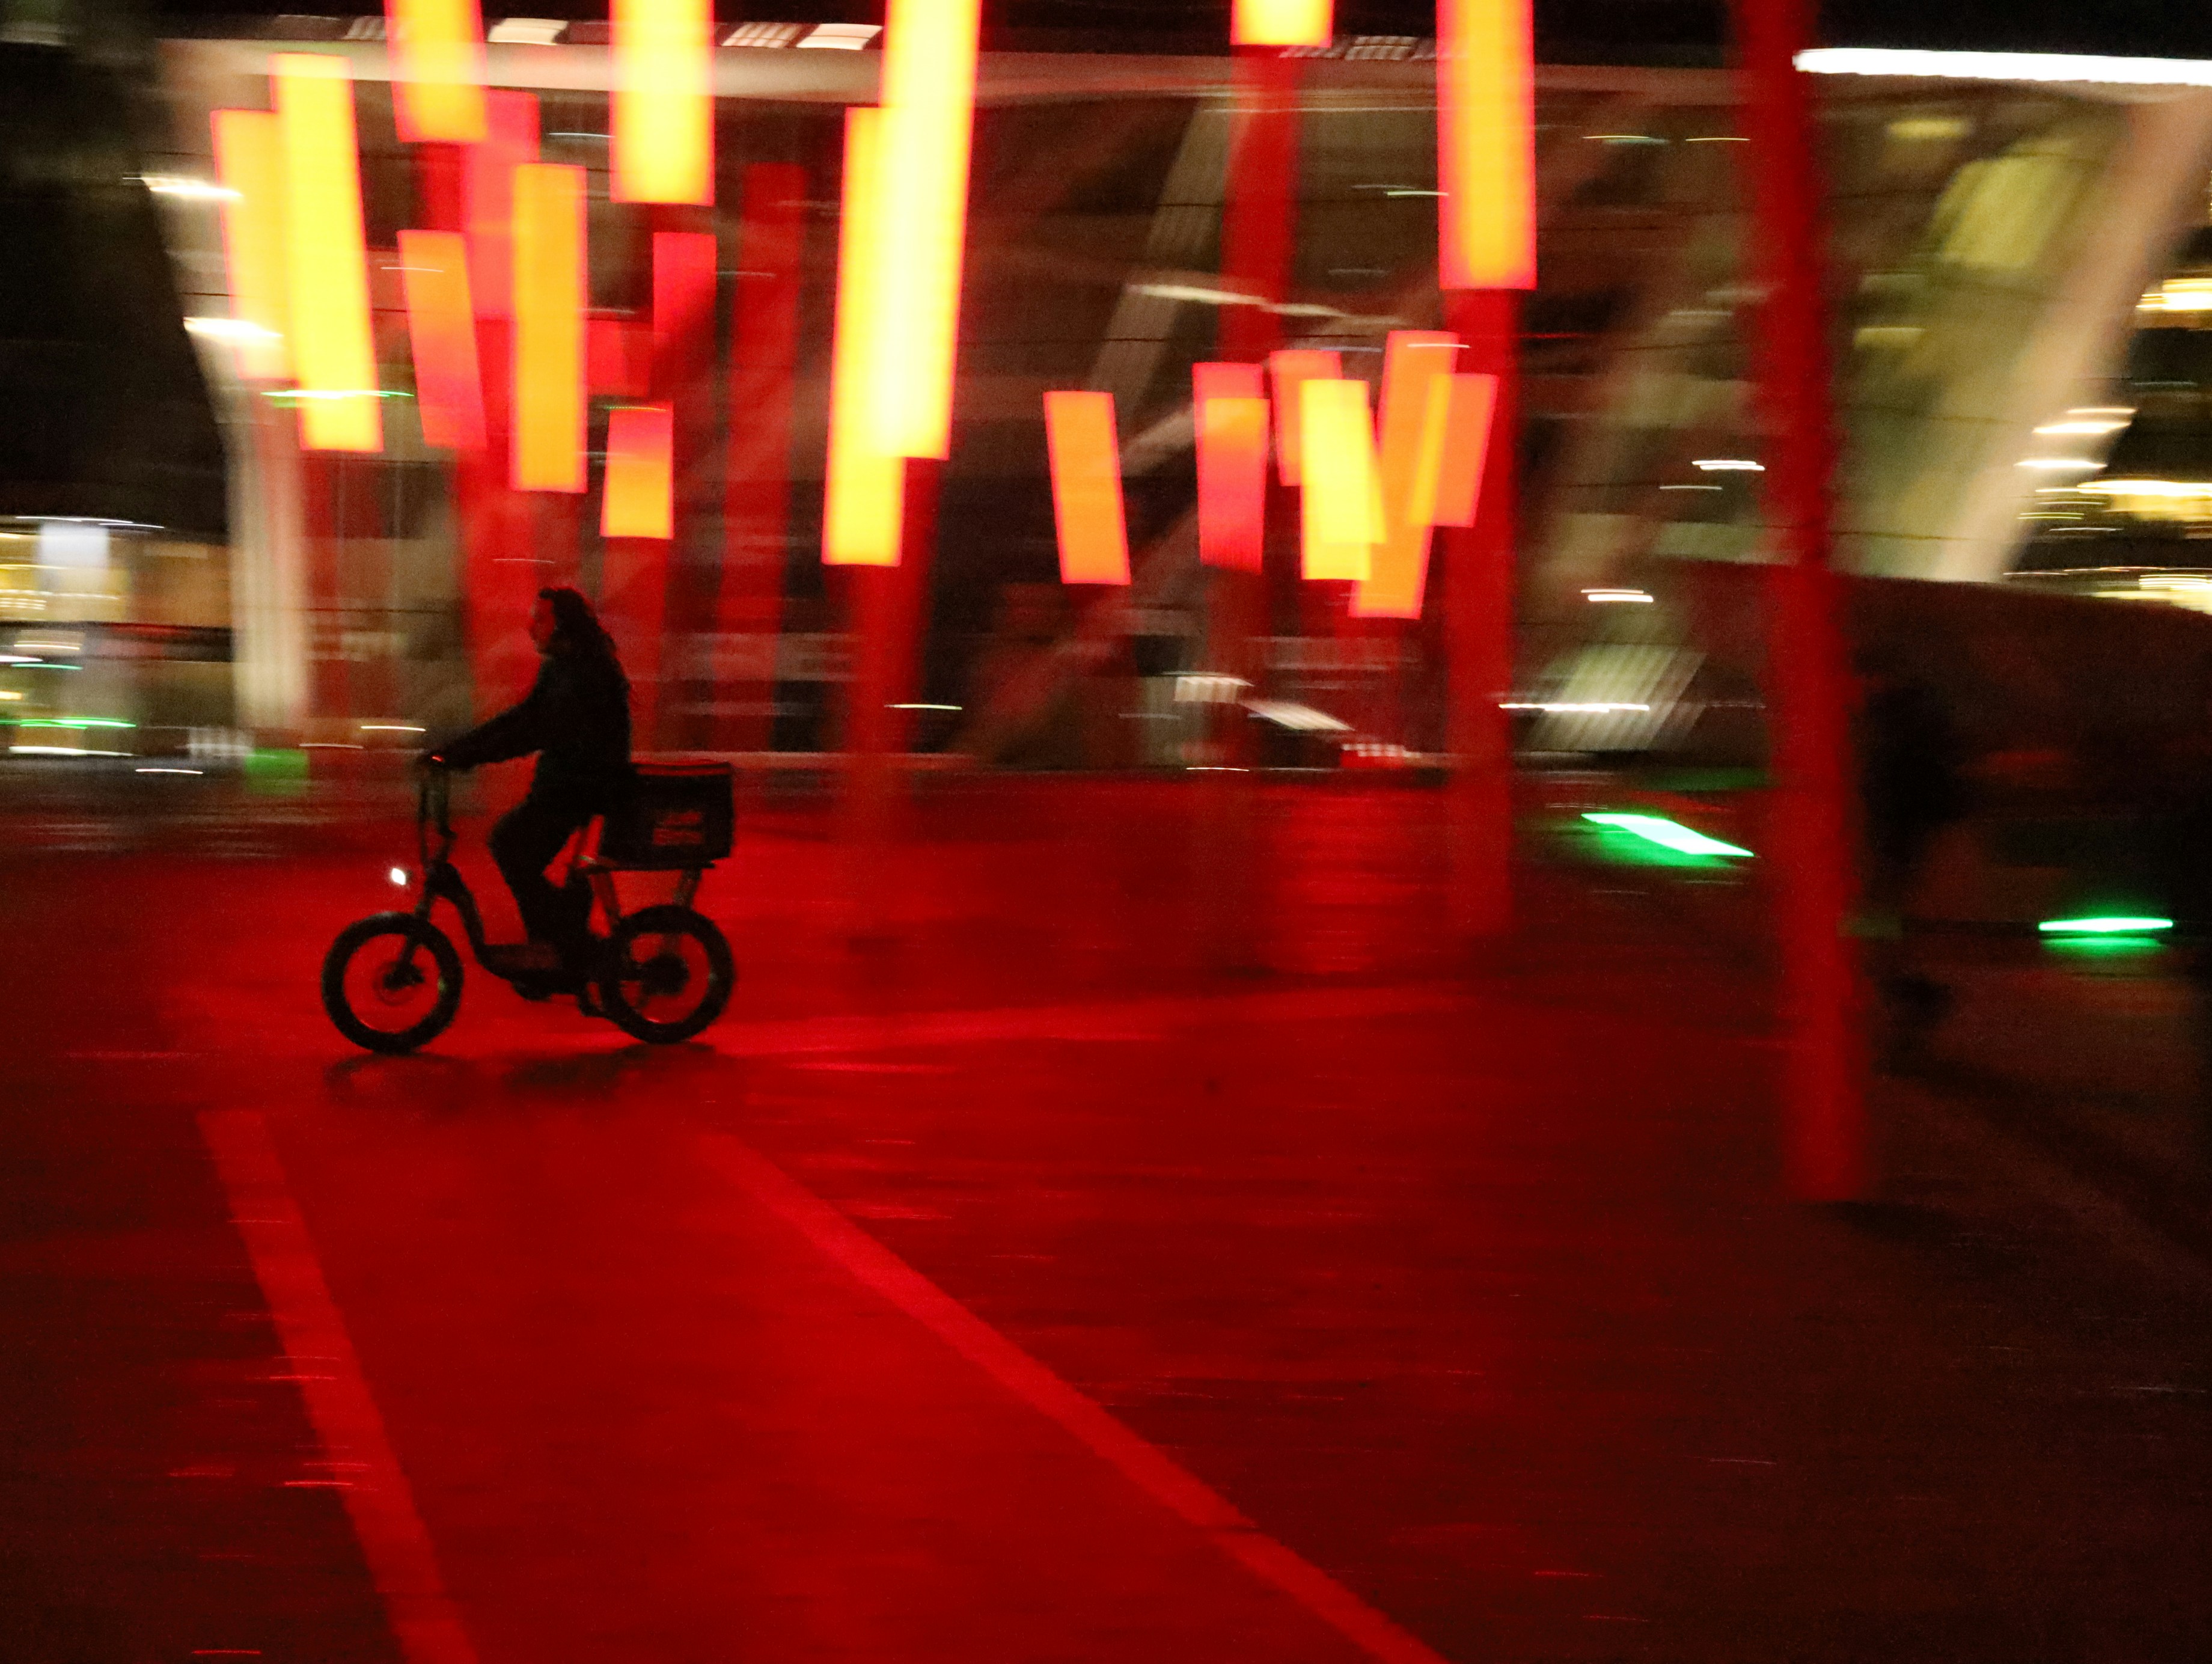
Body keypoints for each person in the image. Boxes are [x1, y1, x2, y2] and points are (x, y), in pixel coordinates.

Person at [427, 587, 632, 978]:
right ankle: (560, 936)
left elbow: (534, 731)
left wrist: (464, 756)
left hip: (582, 789)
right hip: (564, 786)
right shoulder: (562, 667)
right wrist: (456, 751)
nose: (530, 627)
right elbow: (522, 719)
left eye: (540, 619)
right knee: (512, 845)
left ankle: (563, 944)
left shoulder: (586, 671)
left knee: (510, 844)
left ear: (563, 624)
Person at [1854, 643, 1967, 1069]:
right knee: (1876, 940)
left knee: (1873, 941)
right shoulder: (1910, 717)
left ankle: (1918, 1003)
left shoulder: (1898, 722)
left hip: (1893, 850)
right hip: (1896, 848)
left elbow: (1892, 786)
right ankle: (1911, 1009)